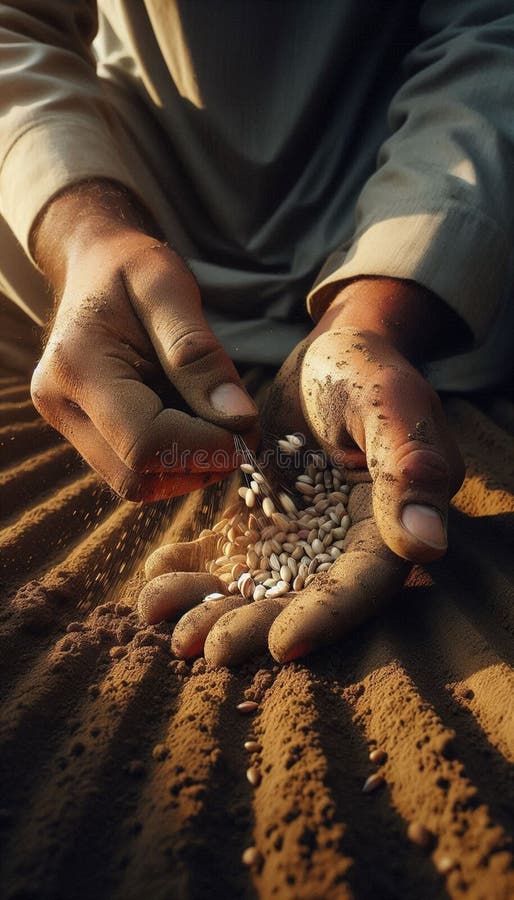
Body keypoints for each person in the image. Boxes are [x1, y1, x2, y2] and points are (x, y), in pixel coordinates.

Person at [1, 2, 513, 662]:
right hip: (139, 199)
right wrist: (86, 236)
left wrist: (371, 316)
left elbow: (495, 29)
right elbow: (17, 26)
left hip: (393, 203)